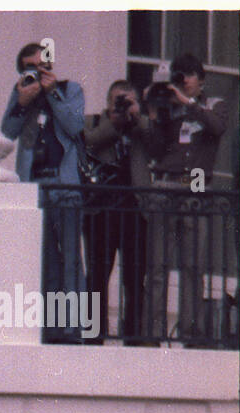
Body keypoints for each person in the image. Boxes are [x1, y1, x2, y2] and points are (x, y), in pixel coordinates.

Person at [0, 43, 86, 340]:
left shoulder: (69, 89)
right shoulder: (22, 92)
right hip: (34, 188)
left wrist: (52, 93)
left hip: (64, 186)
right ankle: (50, 327)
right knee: (45, 259)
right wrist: (23, 102)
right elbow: (7, 133)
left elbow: (75, 127)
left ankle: (75, 327)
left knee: (72, 259)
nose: (38, 72)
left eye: (42, 65)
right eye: (30, 67)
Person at [141, 54, 228, 345]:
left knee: (193, 267)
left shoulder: (212, 105)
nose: (184, 80)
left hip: (195, 189)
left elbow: (217, 127)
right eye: (179, 74)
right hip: (166, 186)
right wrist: (156, 114)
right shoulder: (169, 108)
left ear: (201, 79)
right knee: (157, 267)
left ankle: (190, 334)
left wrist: (188, 104)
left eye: (189, 75)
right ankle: (153, 335)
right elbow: (155, 150)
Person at [83, 80, 152, 344]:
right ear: (108, 102)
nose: (123, 106)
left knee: (135, 277)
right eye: (118, 101)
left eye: (128, 101)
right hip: (101, 209)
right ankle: (94, 334)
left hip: (134, 208)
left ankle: (133, 335)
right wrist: (113, 121)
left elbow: (158, 143)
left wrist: (137, 117)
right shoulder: (95, 121)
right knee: (97, 276)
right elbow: (88, 143)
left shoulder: (140, 127)